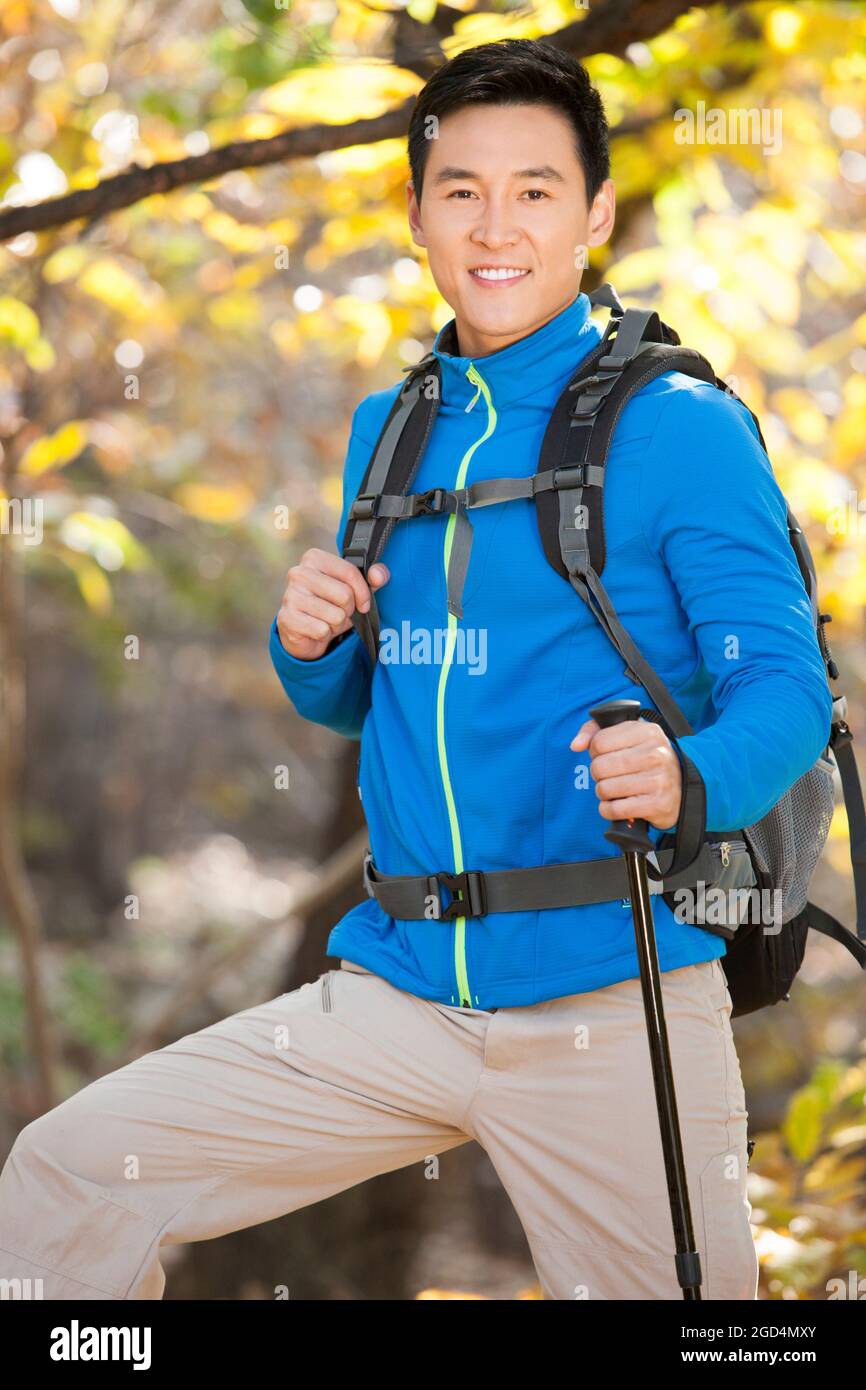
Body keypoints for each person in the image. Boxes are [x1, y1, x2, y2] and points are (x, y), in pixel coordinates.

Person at [0, 39, 831, 1301]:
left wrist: (685, 773)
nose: (495, 225)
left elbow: (785, 689)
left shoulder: (680, 426)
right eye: (461, 190)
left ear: (594, 214)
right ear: (417, 214)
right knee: (62, 1176)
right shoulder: (390, 429)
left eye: (536, 191)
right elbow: (366, 694)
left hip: (615, 998)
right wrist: (311, 643)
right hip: (395, 989)